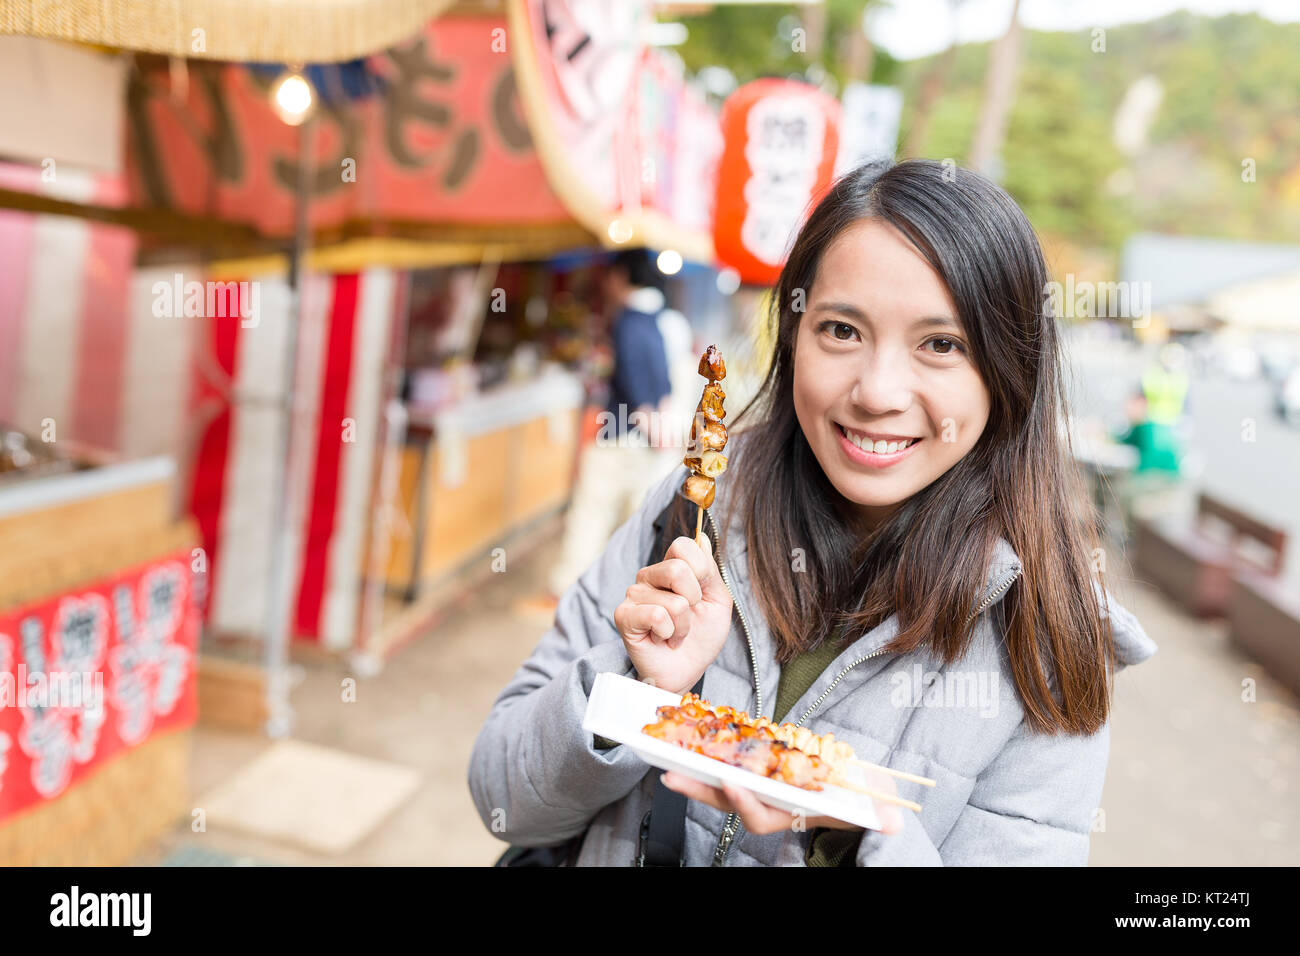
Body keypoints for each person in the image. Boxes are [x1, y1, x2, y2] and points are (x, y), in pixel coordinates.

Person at [471, 159, 1158, 866]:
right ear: (794, 335)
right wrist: (634, 688)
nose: (878, 391)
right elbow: (500, 793)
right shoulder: (686, 515)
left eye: (941, 345)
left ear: (1010, 369)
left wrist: (855, 837)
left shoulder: (1047, 639)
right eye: (841, 330)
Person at [539, 248, 677, 607]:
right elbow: (663, 385)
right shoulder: (655, 320)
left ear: (620, 277)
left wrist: (652, 429)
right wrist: (661, 435)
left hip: (620, 436)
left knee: (590, 513)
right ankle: (611, 598)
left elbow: (636, 384)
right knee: (629, 524)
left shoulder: (628, 321)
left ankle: (563, 596)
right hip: (643, 442)